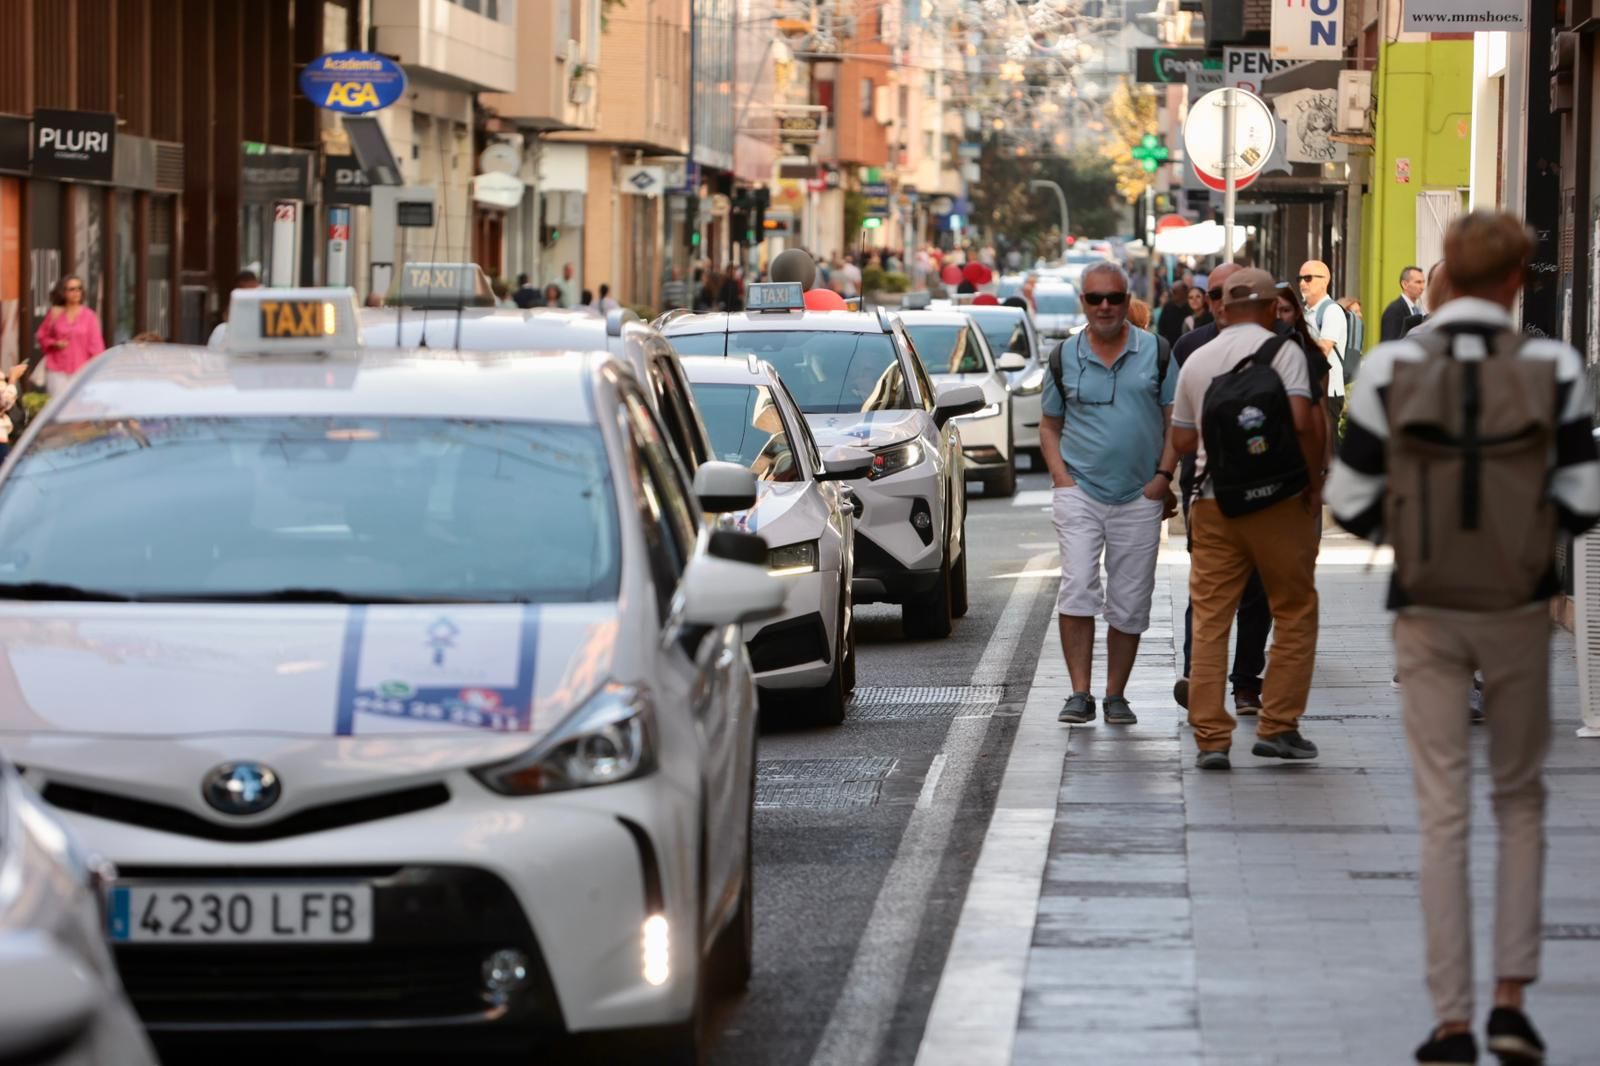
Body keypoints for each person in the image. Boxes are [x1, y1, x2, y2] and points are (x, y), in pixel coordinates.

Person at [1328, 212, 1600, 1066]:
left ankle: (1451, 1020)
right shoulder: (1553, 367)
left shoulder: (1395, 367)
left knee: (1442, 811)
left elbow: (1350, 497)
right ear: (1519, 280)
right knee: (1520, 802)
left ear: (1444, 272)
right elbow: (1585, 498)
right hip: (1519, 606)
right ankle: (1511, 1002)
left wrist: (1418, 532)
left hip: (1428, 599)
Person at [1171, 269, 1323, 771]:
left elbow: (1183, 442)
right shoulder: (1285, 354)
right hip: (1279, 503)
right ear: (1265, 308)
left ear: (1224, 308)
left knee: (1211, 620)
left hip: (1214, 504)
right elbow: (1303, 423)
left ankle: (1211, 738)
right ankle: (1278, 726)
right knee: (1294, 610)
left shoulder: (1196, 360)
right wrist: (1312, 482)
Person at [1041, 262, 1178, 728]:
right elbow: (1049, 425)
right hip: (1079, 491)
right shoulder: (1063, 356)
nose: (1104, 307)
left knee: (1131, 597)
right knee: (1078, 586)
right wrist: (1061, 477)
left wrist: (1163, 478)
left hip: (1141, 493)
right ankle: (1079, 692)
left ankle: (1115, 694)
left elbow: (1174, 420)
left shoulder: (1156, 351)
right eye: (1095, 298)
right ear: (1083, 302)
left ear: (1127, 300)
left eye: (1114, 298)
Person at [1169, 264, 1272, 718]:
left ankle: (1246, 683)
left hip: (1266, 489)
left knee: (1258, 591)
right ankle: (1197, 679)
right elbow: (1179, 428)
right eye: (1212, 293)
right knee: (1207, 591)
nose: (1219, 301)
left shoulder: (1275, 346)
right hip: (1207, 490)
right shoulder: (1190, 347)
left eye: (1229, 293)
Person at [33, 275, 105, 398]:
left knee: (80, 409)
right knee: (58, 409)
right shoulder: (55, 313)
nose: (76, 292)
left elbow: (97, 346)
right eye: (71, 289)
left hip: (82, 370)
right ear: (63, 292)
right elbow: (41, 336)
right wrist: (54, 343)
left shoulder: (89, 316)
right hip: (57, 369)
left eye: (79, 288)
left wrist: (97, 371)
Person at [1298, 259, 1347, 421]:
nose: (1303, 283)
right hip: (1310, 389)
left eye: (1308, 278)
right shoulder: (1306, 313)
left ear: (1325, 280)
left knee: (1330, 444)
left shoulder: (1331, 311)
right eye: (1300, 279)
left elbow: (1323, 351)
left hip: (1328, 391)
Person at [1381, 265, 1426, 342]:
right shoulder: (1394, 310)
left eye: (1423, 282)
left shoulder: (1419, 309)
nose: (1422, 287)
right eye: (1418, 282)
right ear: (1405, 284)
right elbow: (1389, 343)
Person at [1158, 282, 1191, 351]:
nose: (1172, 294)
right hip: (1170, 347)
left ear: (1184, 292)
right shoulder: (1168, 306)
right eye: (1172, 291)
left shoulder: (1191, 307)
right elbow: (1161, 327)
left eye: (1175, 292)